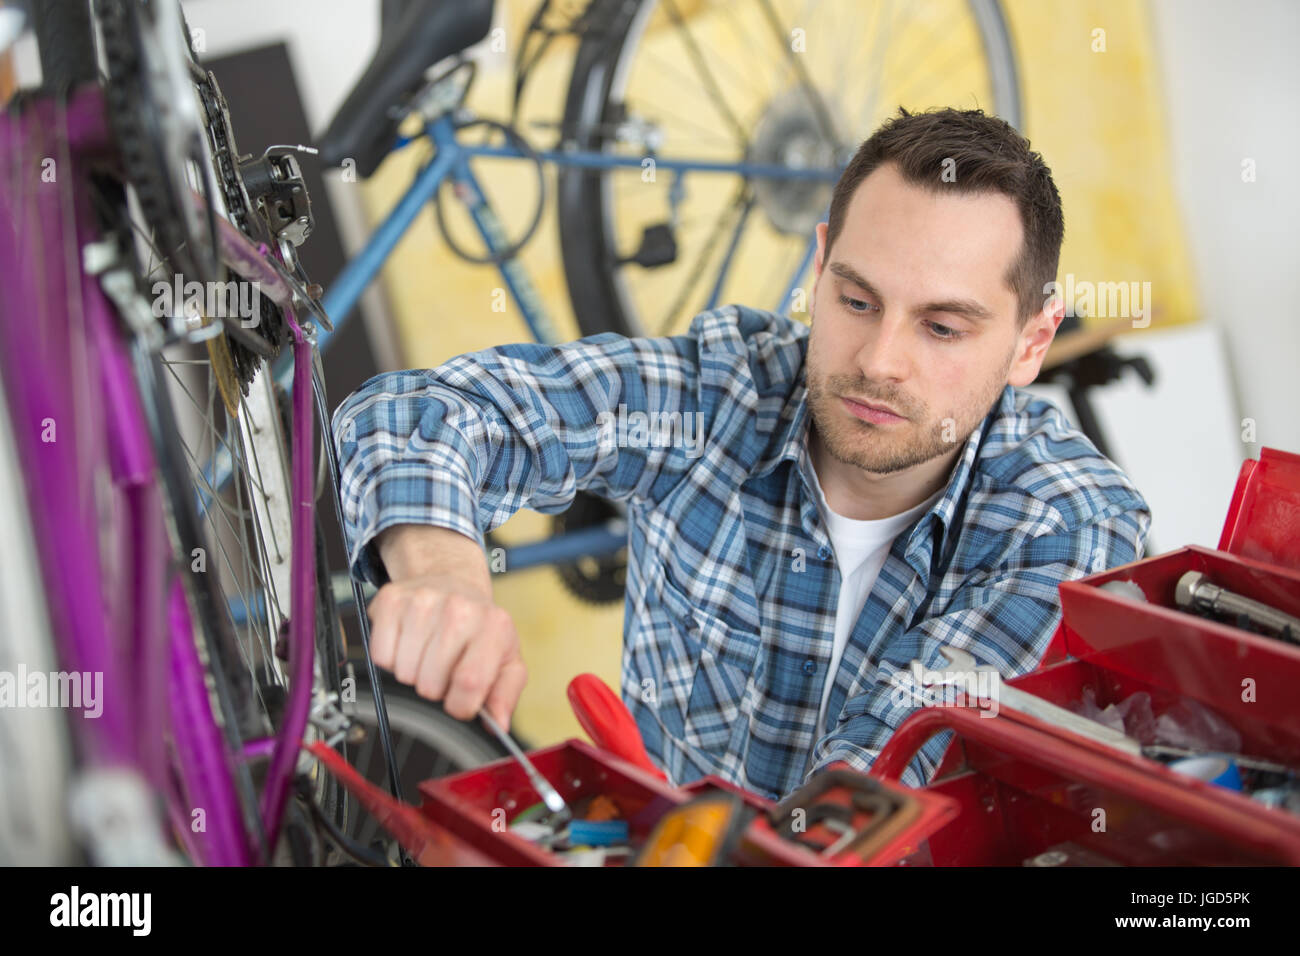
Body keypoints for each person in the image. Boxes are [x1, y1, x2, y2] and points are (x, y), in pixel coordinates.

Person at [331, 107, 1151, 797]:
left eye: (942, 327)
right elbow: (414, 414)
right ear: (820, 263)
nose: (877, 360)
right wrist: (443, 571)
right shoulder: (720, 395)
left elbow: (877, 781)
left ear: (1031, 342)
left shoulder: (1062, 523)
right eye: (856, 299)